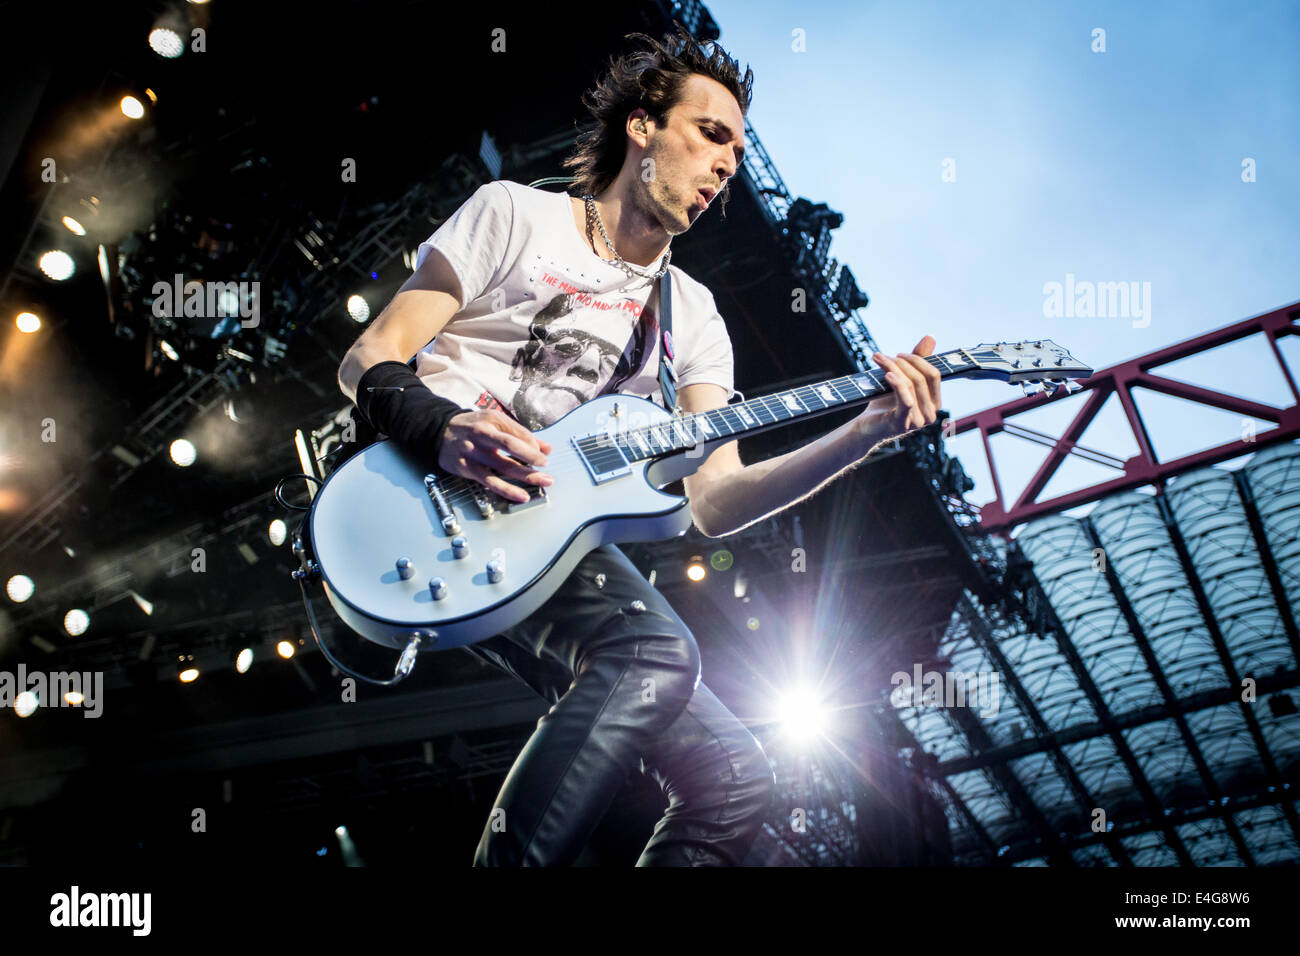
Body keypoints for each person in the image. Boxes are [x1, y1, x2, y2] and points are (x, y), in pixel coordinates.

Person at [337, 23, 943, 866]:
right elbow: (369, 355)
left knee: (734, 774)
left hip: (545, 530)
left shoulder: (690, 317)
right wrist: (441, 431)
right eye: (711, 134)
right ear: (642, 127)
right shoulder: (514, 212)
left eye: (736, 158)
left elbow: (717, 501)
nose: (724, 166)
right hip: (422, 486)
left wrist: (867, 432)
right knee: (655, 651)